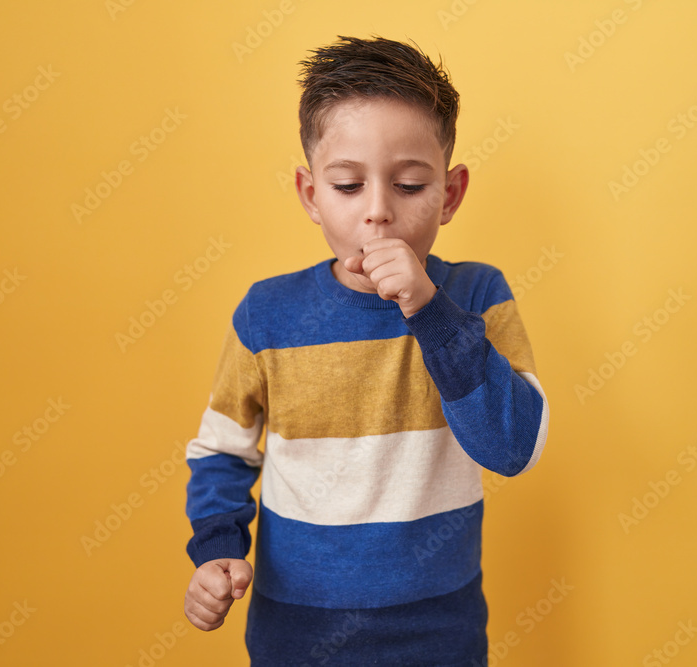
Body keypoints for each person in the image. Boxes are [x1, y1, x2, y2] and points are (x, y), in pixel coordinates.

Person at [182, 34, 549, 666]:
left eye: (408, 185)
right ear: (310, 194)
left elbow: (513, 447)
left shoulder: (476, 296)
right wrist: (217, 548)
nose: (377, 212)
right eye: (349, 186)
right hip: (296, 628)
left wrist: (430, 311)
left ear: (451, 194)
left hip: (440, 628)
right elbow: (222, 449)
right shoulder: (266, 314)